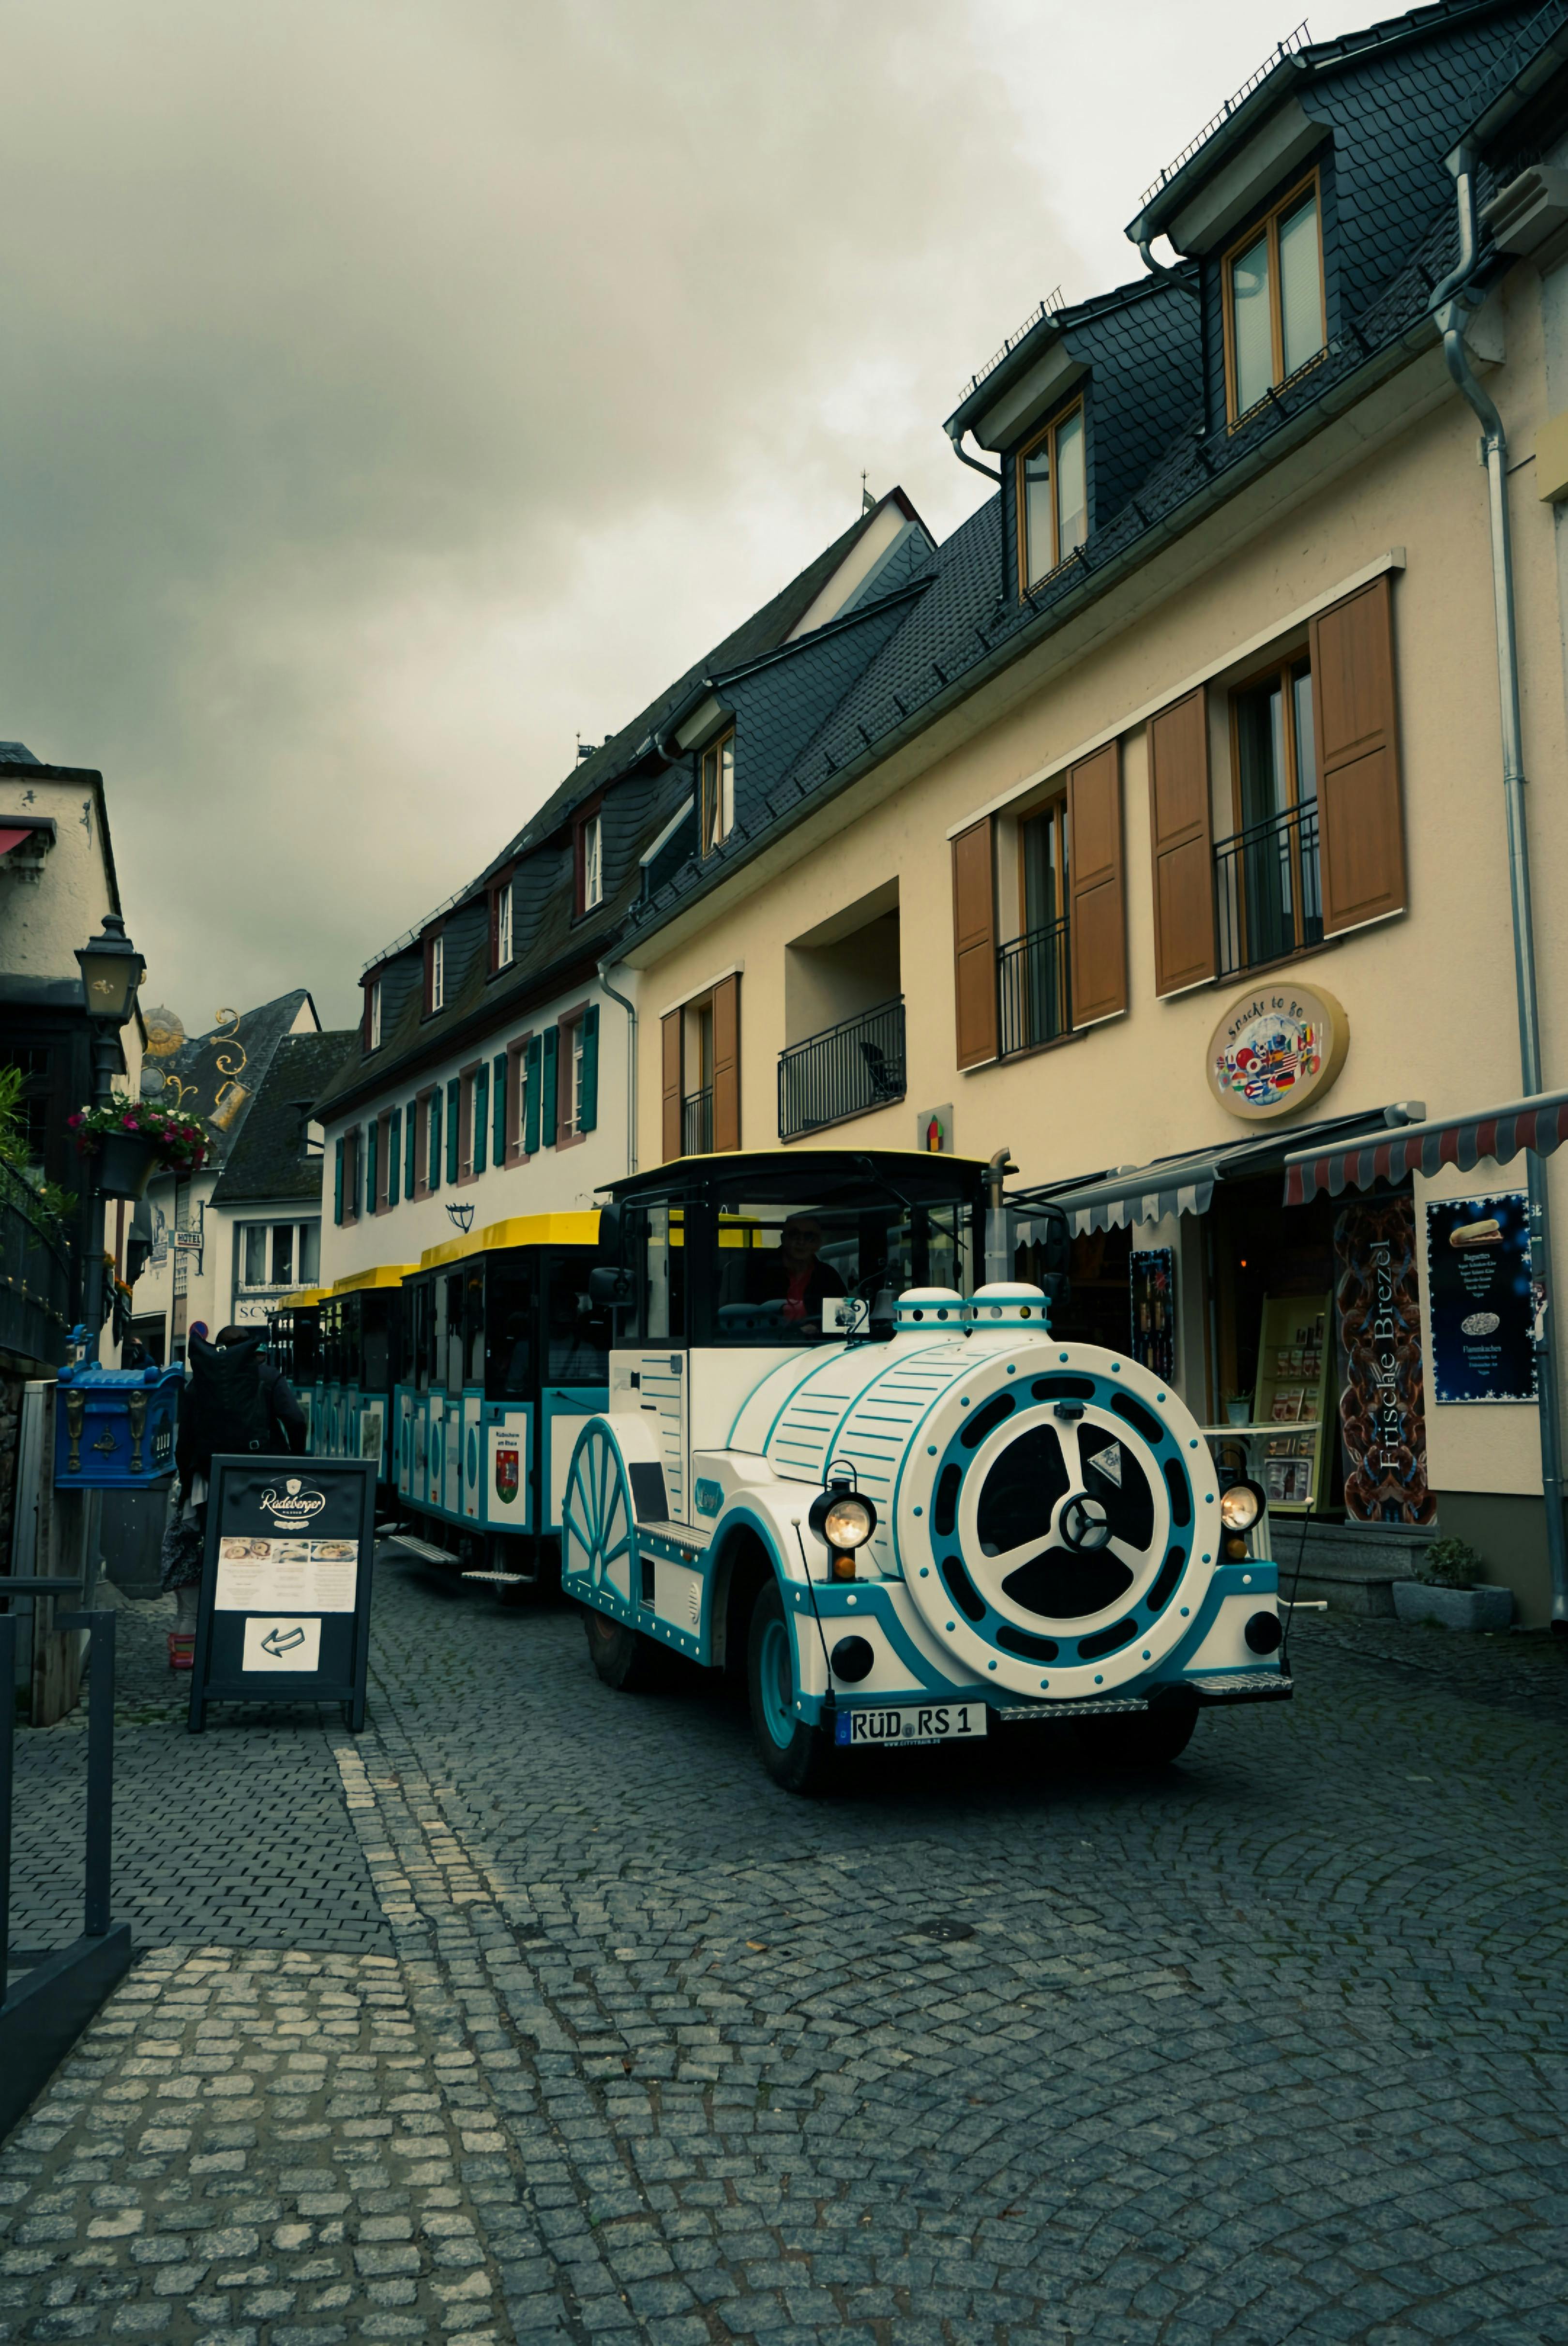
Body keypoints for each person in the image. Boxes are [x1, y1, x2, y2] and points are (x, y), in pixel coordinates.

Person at [161, 1324, 308, 1670]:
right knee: (266, 1554)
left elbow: (185, 1441)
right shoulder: (269, 1377)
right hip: (265, 1479)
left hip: (212, 1482)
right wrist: (296, 1461)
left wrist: (189, 1482)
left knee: (218, 1555)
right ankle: (261, 1638)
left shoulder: (199, 1383)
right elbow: (295, 1420)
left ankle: (206, 1644)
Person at [744, 1215, 846, 1324]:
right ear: (783, 1239)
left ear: (818, 1244)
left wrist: (817, 1329)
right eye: (794, 1235)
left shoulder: (829, 1276)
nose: (801, 1242)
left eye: (809, 1236)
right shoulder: (760, 1272)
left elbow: (842, 1320)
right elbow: (745, 1315)